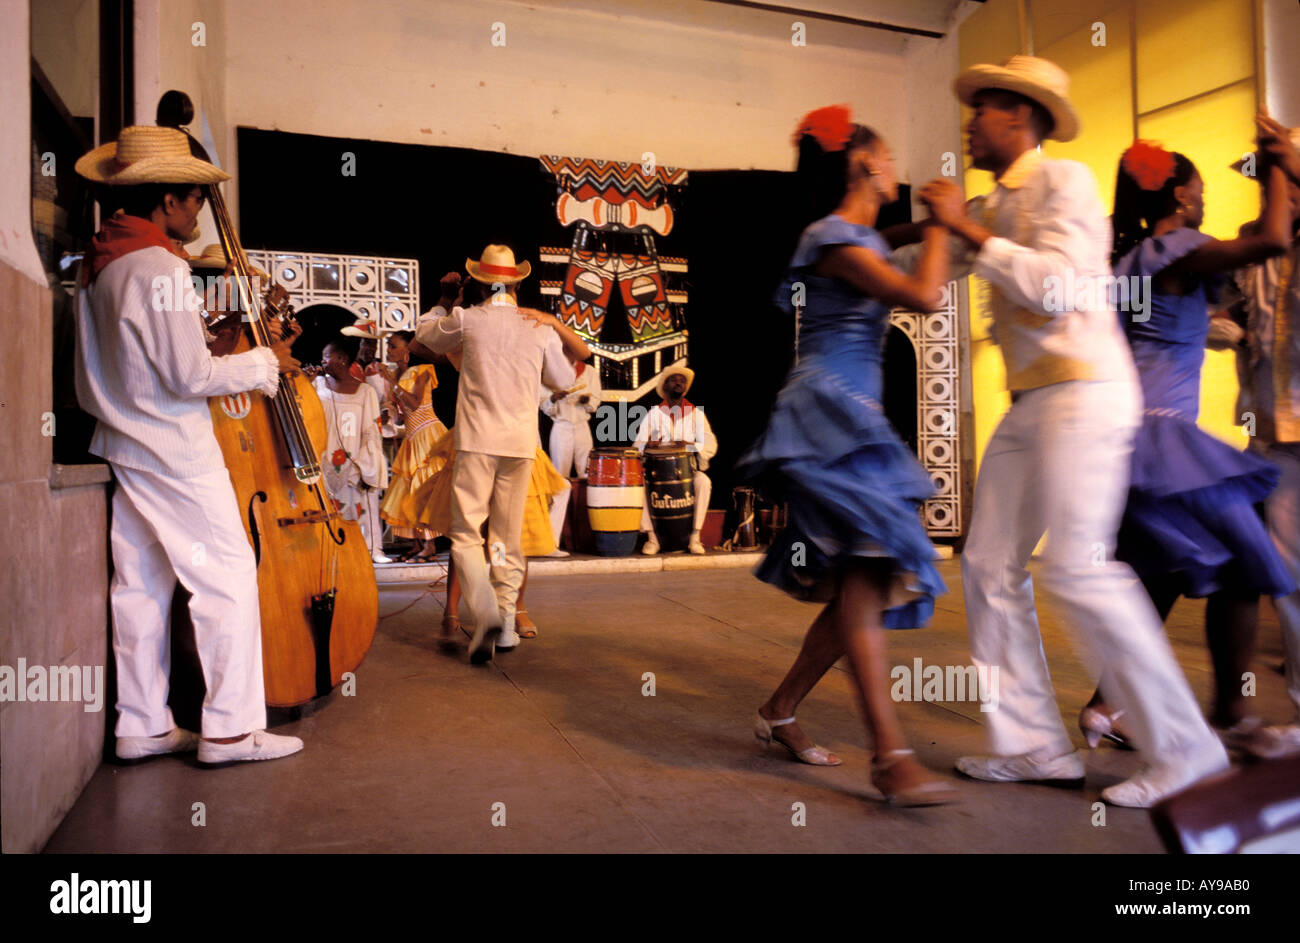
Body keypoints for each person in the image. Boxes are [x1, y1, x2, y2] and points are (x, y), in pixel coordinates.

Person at [912, 56, 1228, 807]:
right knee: (989, 563)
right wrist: (846, 241)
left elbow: (1060, 287)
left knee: (1078, 568)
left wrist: (965, 231)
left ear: (1018, 115)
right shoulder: (991, 207)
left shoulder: (1067, 184)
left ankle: (1189, 751)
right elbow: (922, 263)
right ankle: (1034, 747)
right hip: (1031, 405)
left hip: (1086, 392)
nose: (969, 121)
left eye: (981, 107)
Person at [736, 106, 957, 806]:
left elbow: (892, 235)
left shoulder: (854, 235)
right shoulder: (830, 238)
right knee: (866, 568)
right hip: (827, 416)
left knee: (862, 578)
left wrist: (946, 220)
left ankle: (779, 709)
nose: (897, 165)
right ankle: (891, 756)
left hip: (849, 418)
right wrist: (946, 224)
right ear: (864, 164)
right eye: (888, 154)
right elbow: (924, 294)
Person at [73, 125, 303, 765]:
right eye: (195, 198)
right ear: (167, 200)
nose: (200, 210)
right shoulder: (162, 266)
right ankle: (229, 731)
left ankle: (143, 724)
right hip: (176, 448)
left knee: (141, 585)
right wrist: (260, 364)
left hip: (123, 444)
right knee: (227, 579)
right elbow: (190, 377)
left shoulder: (99, 268)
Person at [1077, 134, 1295, 752]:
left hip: (1128, 433)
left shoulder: (1132, 261)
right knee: (1244, 559)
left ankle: (1104, 705)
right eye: (1201, 189)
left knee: (1165, 569)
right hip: (1165, 434)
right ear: (1179, 194)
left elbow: (1176, 322)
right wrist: (1278, 163)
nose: (1205, 200)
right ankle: (1236, 719)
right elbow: (1273, 239)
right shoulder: (1181, 247)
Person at [411, 245, 583, 662]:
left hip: (476, 441)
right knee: (506, 538)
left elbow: (423, 333)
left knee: (468, 534)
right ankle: (505, 623)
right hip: (521, 444)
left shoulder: (467, 320)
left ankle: (485, 611)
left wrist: (447, 300)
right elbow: (563, 379)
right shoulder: (537, 328)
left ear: (481, 283)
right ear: (519, 282)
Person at [1217, 118, 1300, 758]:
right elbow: (1231, 313)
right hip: (1268, 437)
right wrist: (1222, 326)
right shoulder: (1255, 248)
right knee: (1276, 573)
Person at [314, 335, 389, 564]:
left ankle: (373, 549)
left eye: (327, 357)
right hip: (327, 457)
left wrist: (366, 462)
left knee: (364, 506)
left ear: (342, 358)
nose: (323, 362)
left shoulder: (365, 392)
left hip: (357, 458)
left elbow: (371, 431)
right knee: (334, 508)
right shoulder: (317, 386)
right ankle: (337, 549)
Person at [378, 330, 449, 561]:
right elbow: (402, 417)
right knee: (408, 491)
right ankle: (419, 543)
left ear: (407, 351)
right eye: (388, 345)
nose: (388, 350)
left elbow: (416, 404)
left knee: (422, 488)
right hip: (411, 437)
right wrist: (389, 413)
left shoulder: (422, 371)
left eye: (392, 345)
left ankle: (430, 545)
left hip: (427, 434)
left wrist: (391, 383)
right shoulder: (394, 375)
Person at [634, 366, 716, 555]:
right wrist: (648, 445)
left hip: (687, 471)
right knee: (638, 487)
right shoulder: (654, 414)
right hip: (656, 474)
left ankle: (695, 537)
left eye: (682, 380)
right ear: (665, 385)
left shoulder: (696, 414)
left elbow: (710, 443)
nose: (679, 382)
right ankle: (652, 538)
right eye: (674, 379)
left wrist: (689, 445)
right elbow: (637, 443)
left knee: (704, 481)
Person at [540, 356, 601, 551]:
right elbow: (543, 403)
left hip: (583, 425)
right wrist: (552, 399)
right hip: (561, 425)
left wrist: (588, 401)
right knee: (560, 479)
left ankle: (587, 532)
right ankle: (555, 538)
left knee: (588, 476)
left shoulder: (589, 371)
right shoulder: (550, 372)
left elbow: (597, 398)